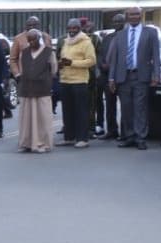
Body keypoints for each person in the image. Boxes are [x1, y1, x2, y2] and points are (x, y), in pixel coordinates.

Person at [107, 5, 161, 150]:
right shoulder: (121, 35)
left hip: (141, 76)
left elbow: (156, 55)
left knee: (140, 108)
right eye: (131, 15)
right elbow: (115, 59)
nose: (134, 17)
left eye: (136, 14)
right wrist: (111, 78)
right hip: (123, 77)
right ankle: (129, 137)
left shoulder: (150, 33)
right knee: (126, 109)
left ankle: (140, 137)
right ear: (127, 16)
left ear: (141, 15)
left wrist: (157, 74)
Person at [57, 18, 96, 148]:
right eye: (70, 28)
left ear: (80, 28)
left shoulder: (86, 42)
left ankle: (82, 139)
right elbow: (63, 58)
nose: (72, 30)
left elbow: (91, 61)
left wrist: (72, 63)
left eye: (75, 28)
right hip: (65, 79)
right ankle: (69, 137)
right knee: (67, 110)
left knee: (81, 111)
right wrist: (61, 64)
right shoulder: (65, 41)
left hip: (79, 81)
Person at [17, 30, 58, 154]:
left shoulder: (49, 52)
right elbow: (22, 68)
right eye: (29, 40)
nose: (31, 42)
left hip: (42, 89)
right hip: (27, 89)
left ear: (39, 38)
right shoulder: (23, 53)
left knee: (42, 117)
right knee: (27, 118)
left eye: (33, 39)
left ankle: (42, 143)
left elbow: (54, 70)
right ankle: (27, 143)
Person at [98, 14, 126, 141]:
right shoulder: (108, 38)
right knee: (110, 105)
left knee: (125, 106)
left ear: (124, 22)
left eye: (119, 21)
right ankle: (112, 130)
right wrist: (102, 64)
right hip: (106, 76)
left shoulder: (127, 36)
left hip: (122, 76)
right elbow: (100, 53)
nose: (116, 24)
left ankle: (125, 133)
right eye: (114, 22)